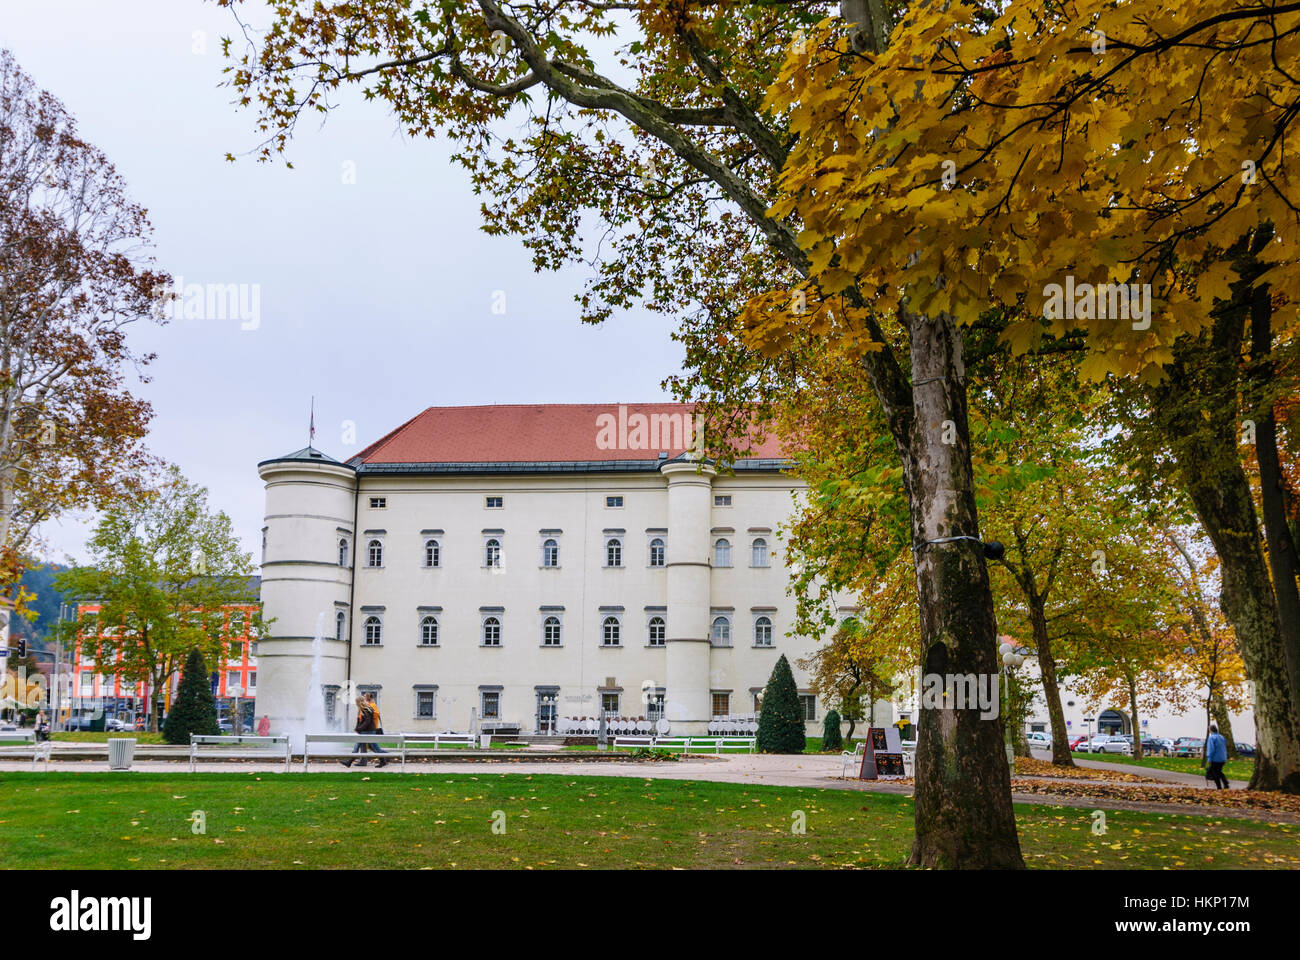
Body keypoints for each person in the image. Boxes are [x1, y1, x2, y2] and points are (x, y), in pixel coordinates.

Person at [341, 696, 388, 768]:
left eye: (356, 703)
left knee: (363, 746)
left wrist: (359, 728)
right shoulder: (361, 710)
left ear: (359, 702)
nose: (356, 704)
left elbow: (367, 721)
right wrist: (357, 728)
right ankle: (383, 761)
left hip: (368, 731)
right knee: (374, 747)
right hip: (365, 731)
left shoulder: (367, 710)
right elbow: (359, 721)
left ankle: (349, 761)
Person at [1205, 724, 1229, 789]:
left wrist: (1209, 758)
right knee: (1219, 771)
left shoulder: (1211, 738)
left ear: (1210, 730)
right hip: (1222, 758)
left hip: (1215, 758)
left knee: (1215, 773)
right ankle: (1225, 783)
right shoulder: (1221, 737)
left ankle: (1219, 786)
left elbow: (1211, 749)